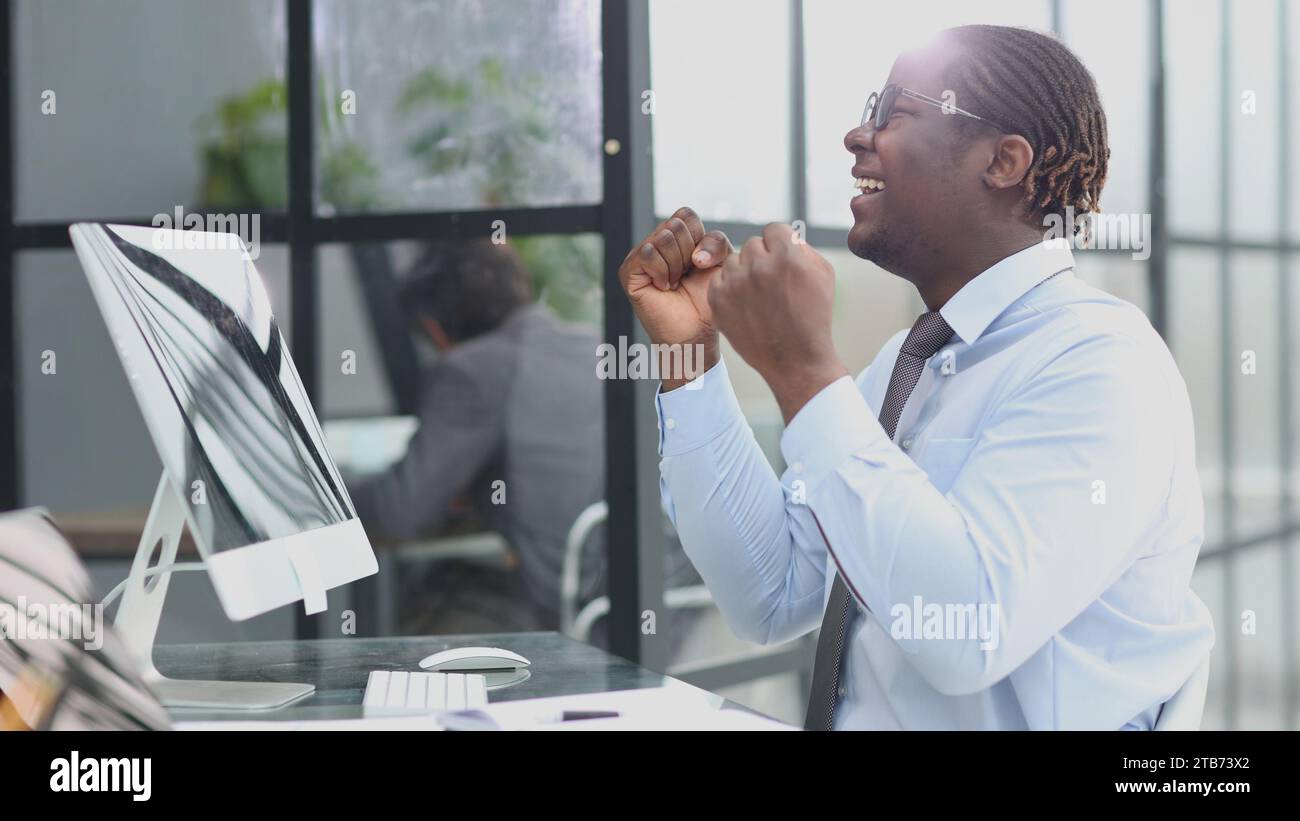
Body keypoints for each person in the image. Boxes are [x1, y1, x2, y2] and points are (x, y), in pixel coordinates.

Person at [619, 25, 1214, 730]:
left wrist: (803, 373)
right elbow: (769, 592)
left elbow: (971, 629)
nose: (855, 136)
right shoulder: (906, 365)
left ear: (1004, 161)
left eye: (895, 113)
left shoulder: (1102, 362)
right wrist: (693, 361)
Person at [349, 240, 606, 633]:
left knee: (433, 598)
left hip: (569, 615)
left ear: (435, 329)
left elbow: (398, 510)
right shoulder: (597, 345)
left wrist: (323, 495)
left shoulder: (475, 370)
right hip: (653, 601)